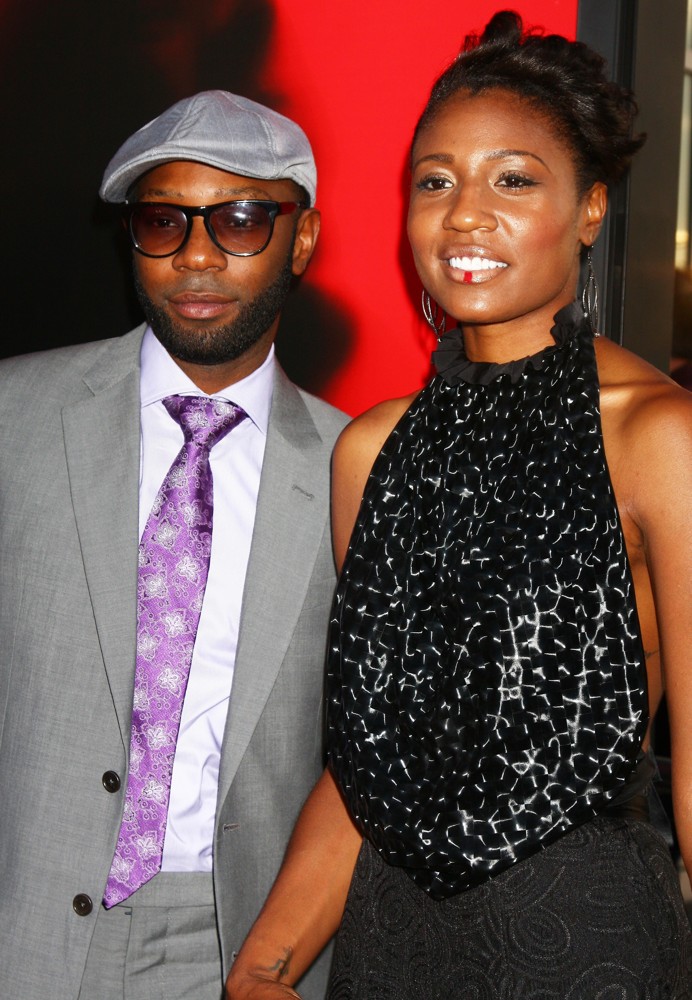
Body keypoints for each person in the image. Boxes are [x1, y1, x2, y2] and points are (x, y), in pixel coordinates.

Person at [226, 13, 692, 999]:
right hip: (387, 943)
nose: (463, 213)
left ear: (590, 209)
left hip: (581, 941)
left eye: (512, 179)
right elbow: (368, 761)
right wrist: (265, 965)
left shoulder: (656, 437)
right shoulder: (370, 450)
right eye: (434, 182)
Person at [0, 91, 348, 1000]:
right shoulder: (13, 417)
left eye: (239, 219)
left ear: (301, 240)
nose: (196, 256)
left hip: (239, 941)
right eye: (163, 220)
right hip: (20, 920)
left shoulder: (360, 469)